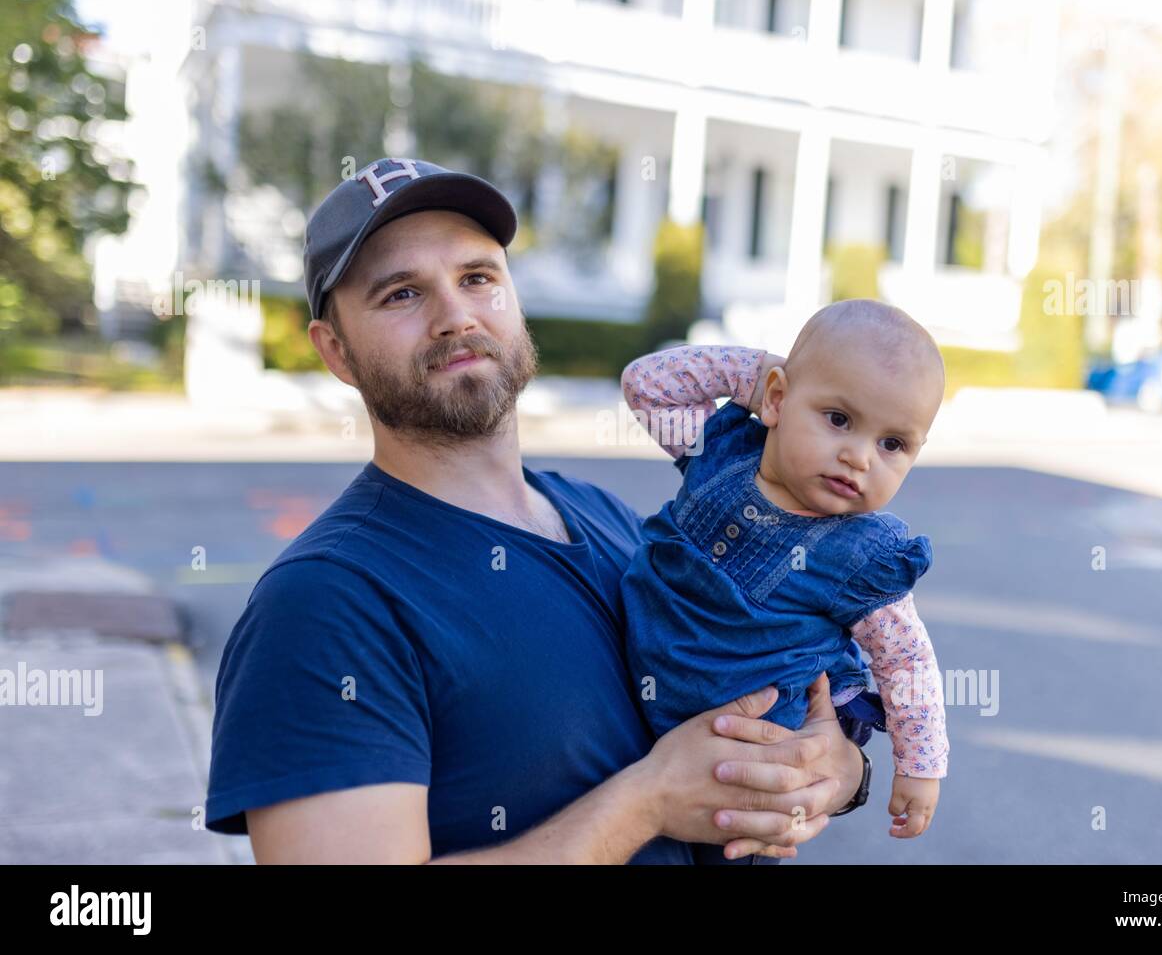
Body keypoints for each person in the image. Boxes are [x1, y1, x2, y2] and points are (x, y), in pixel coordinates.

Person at [203, 157, 872, 863]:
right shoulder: (321, 605)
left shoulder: (611, 520)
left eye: (478, 277)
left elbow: (781, 698)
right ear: (335, 351)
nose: (455, 315)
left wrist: (834, 770)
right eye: (401, 293)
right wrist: (643, 803)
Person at [619, 301, 951, 863]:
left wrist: (922, 766)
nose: (858, 457)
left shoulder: (863, 555)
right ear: (774, 399)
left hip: (750, 774)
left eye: (893, 444)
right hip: (634, 728)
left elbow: (907, 661)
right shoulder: (718, 451)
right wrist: (762, 378)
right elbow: (647, 384)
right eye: (838, 419)